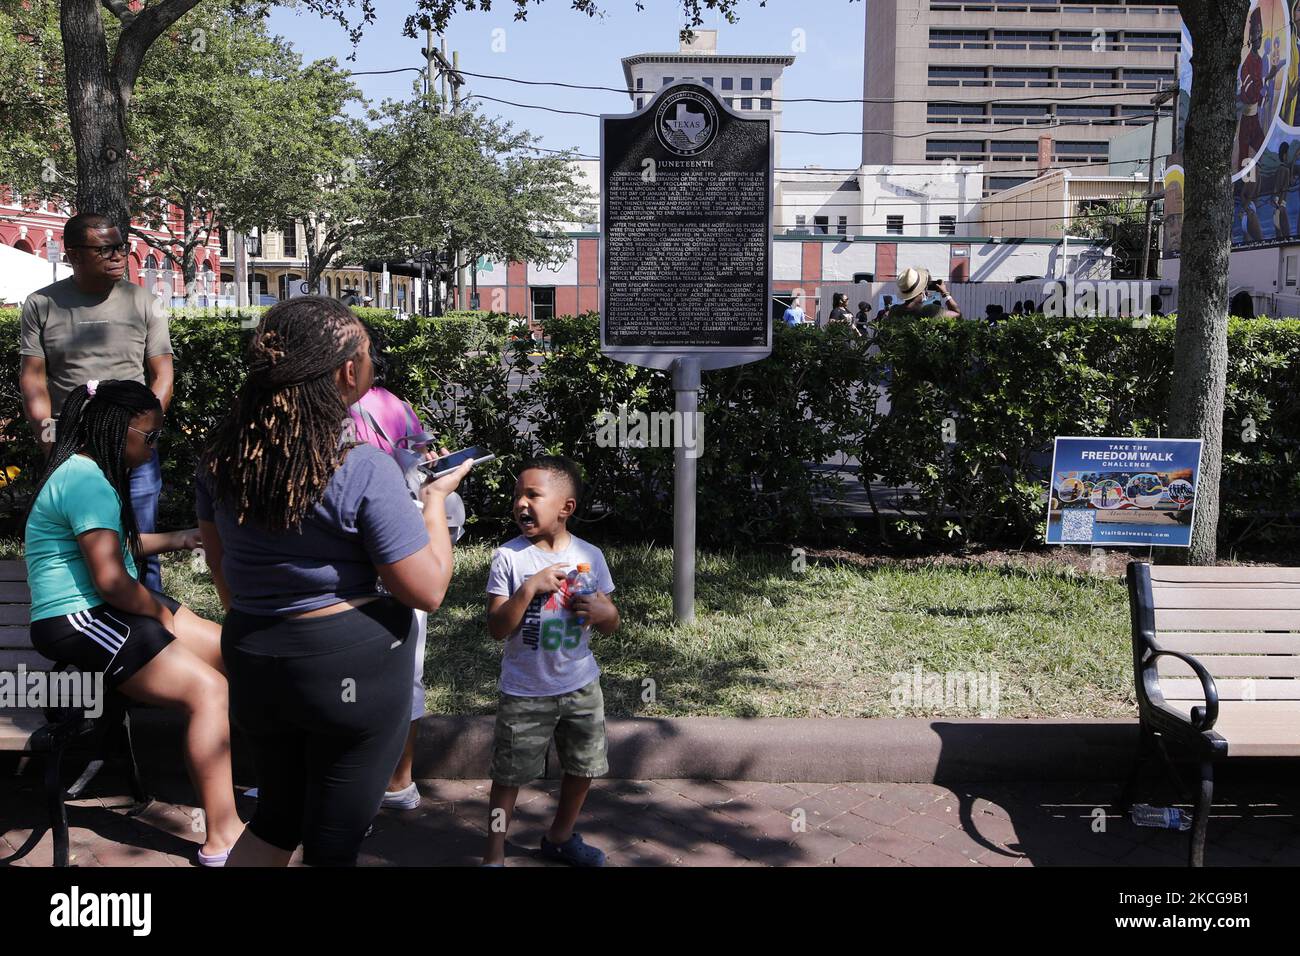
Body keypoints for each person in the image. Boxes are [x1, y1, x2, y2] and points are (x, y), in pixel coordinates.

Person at [196, 296, 472, 867]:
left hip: (253, 653)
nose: (372, 366)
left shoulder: (221, 458)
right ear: (348, 371)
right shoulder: (362, 464)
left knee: (277, 816)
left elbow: (223, 577)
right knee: (333, 840)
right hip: (350, 670)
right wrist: (435, 502)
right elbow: (427, 589)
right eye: (369, 356)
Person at [23, 379, 241, 866]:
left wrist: (177, 538)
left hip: (104, 607)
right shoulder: (85, 480)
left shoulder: (87, 470)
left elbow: (112, 547)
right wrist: (163, 616)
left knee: (237, 652)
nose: (154, 444)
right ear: (120, 430)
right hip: (78, 617)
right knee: (208, 690)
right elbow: (112, 583)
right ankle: (223, 837)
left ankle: (236, 784)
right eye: (151, 435)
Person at [19, 212, 173, 593]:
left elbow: (163, 374)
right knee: (78, 539)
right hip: (73, 445)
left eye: (120, 246)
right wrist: (46, 434)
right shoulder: (42, 304)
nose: (119, 256)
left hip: (132, 442)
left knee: (139, 537)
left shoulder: (145, 302)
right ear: (73, 254)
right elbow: (33, 377)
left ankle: (151, 619)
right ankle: (82, 613)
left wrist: (145, 430)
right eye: (105, 249)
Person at [483, 457, 620, 867]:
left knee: (584, 766)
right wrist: (529, 590)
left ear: (566, 508)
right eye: (517, 496)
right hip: (525, 690)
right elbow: (496, 627)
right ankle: (494, 854)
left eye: (533, 495)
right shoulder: (510, 558)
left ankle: (560, 837)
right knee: (508, 777)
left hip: (581, 685)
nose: (521, 503)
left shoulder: (590, 555)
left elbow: (611, 619)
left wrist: (602, 613)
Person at [345, 324, 445, 811]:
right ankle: (399, 782)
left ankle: (342, 779)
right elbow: (423, 463)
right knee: (407, 663)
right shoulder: (396, 404)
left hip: (349, 554)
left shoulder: (308, 413)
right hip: (402, 544)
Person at [886, 267, 962, 320]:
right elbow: (957, 315)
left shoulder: (894, 311)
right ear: (921, 291)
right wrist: (945, 293)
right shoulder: (931, 310)